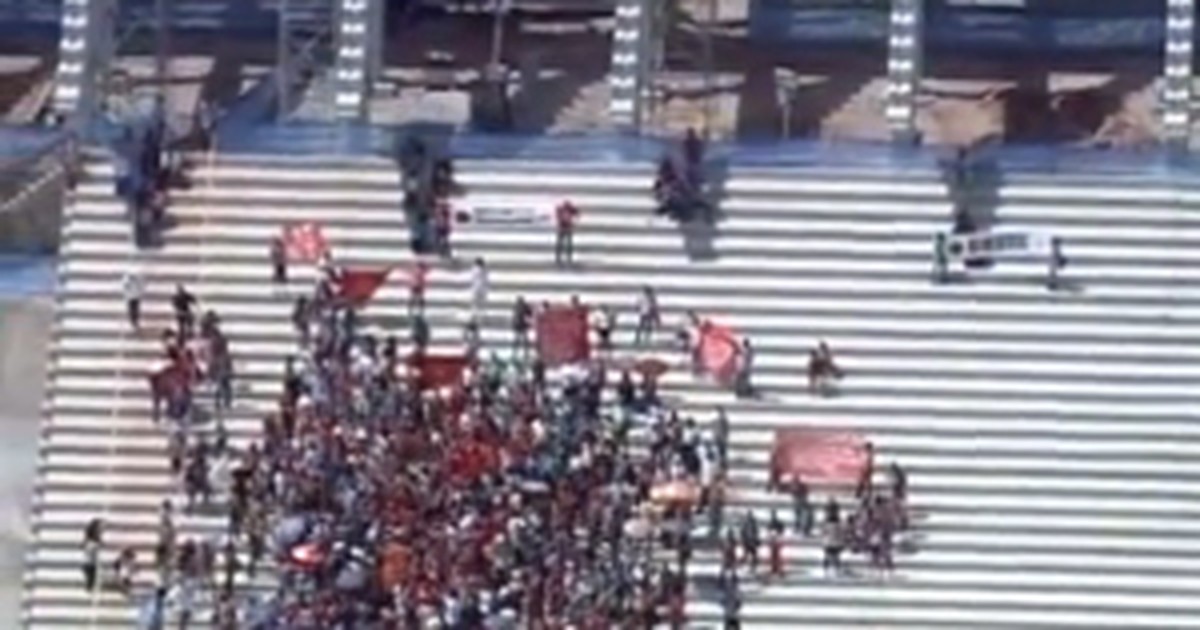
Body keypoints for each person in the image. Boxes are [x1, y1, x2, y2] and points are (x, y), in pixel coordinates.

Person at [554, 200, 579, 266]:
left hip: (566, 228)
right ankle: (560, 257)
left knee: (566, 243)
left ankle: (566, 257)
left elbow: (576, 212)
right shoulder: (563, 209)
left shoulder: (566, 209)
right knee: (562, 243)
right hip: (564, 228)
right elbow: (576, 212)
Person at [82, 517, 103, 591]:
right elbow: (95, 547)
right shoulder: (91, 543)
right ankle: (89, 588)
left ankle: (89, 587)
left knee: (92, 580)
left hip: (89, 563)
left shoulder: (90, 541)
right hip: (89, 564)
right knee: (91, 580)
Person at [767, 510, 785, 579]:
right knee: (774, 556)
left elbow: (782, 530)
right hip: (773, 540)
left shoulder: (774, 523)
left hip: (776, 540)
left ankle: (777, 569)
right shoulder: (772, 523)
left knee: (777, 556)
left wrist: (777, 533)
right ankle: (775, 569)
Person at [470, 258, 488, 322]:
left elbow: (472, 279)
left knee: (475, 303)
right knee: (480, 304)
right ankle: (480, 316)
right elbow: (486, 280)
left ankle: (474, 315)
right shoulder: (484, 270)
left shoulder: (474, 270)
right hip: (482, 289)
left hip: (476, 288)